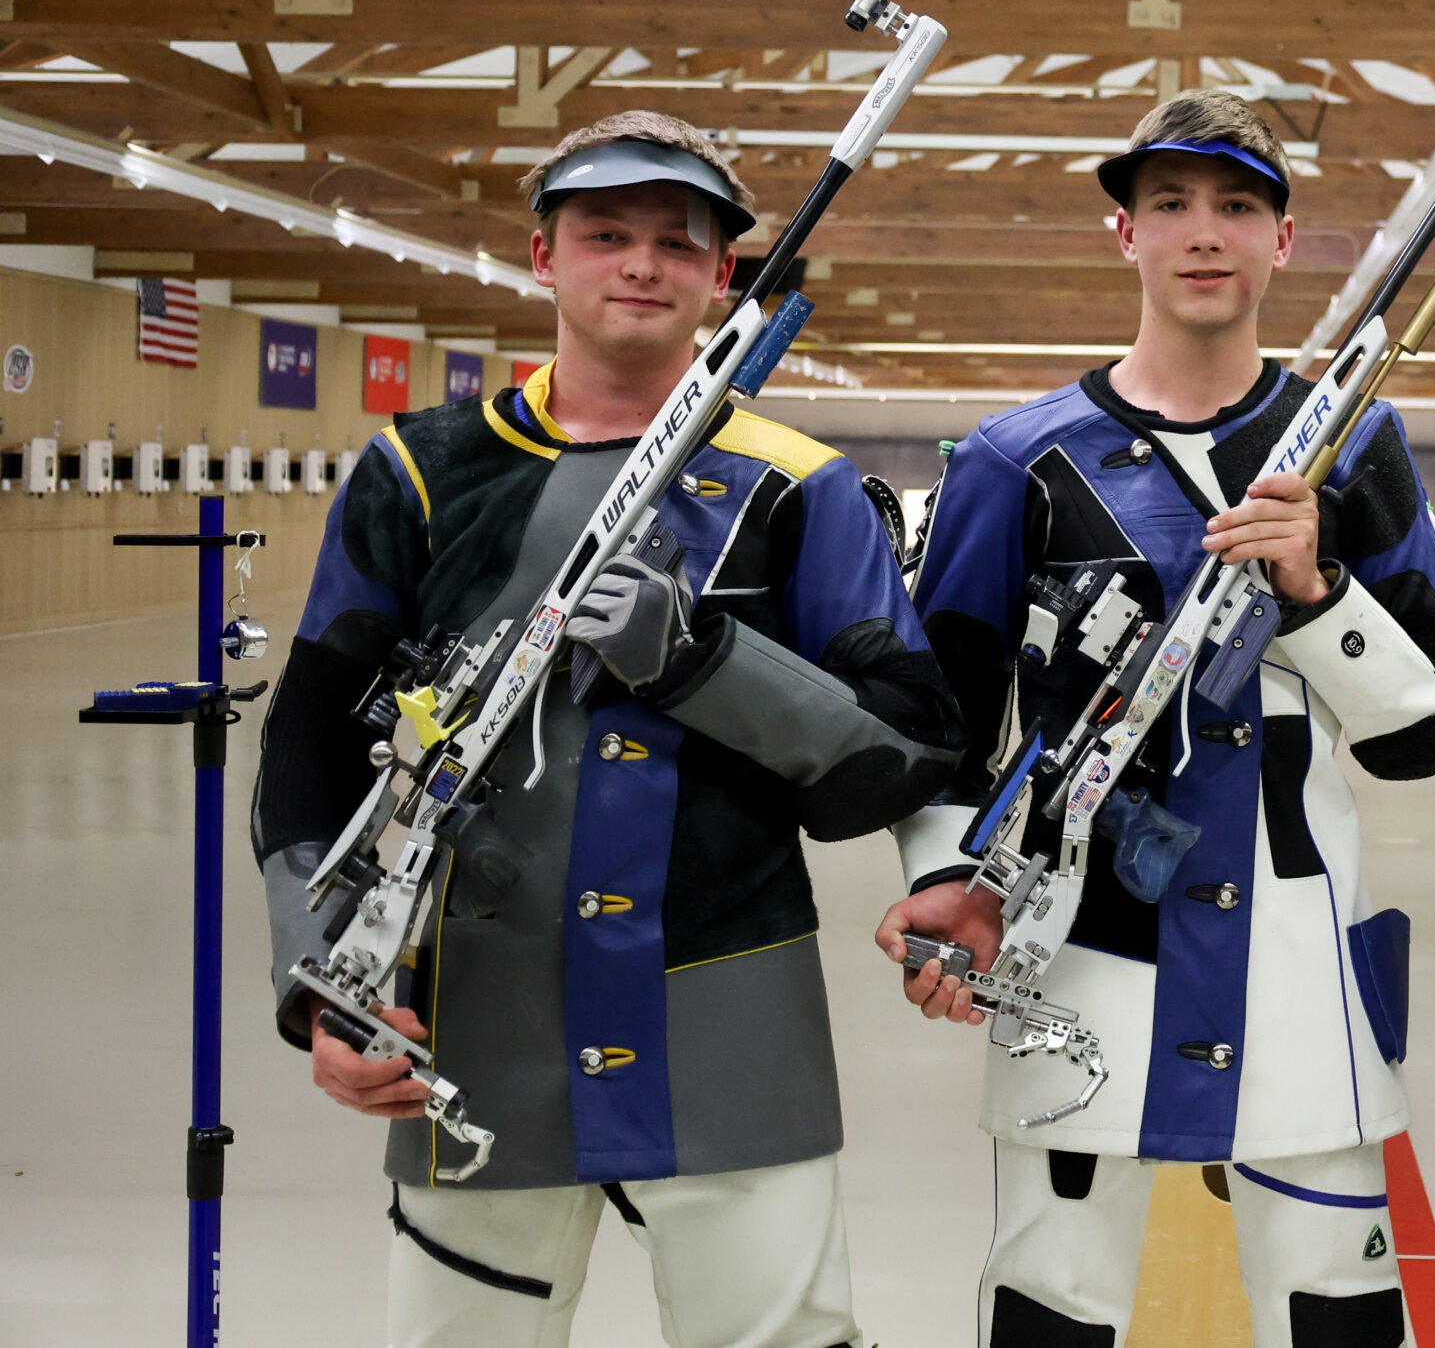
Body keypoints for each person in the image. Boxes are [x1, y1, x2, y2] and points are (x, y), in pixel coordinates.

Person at [251, 110, 965, 1348]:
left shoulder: (799, 487)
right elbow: (309, 750)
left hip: (729, 1009)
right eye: (605, 234)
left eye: (677, 242)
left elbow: (900, 758)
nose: (641, 263)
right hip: (474, 1020)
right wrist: (321, 986)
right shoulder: (418, 472)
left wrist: (701, 664)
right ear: (544, 255)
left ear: (722, 273)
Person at [878, 89, 1435, 1347]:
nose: (1203, 231)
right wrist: (950, 878)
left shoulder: (1351, 445)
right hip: (1076, 952)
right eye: (1169, 203)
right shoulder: (1015, 460)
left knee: (1335, 1300)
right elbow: (936, 725)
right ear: (1125, 233)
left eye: (1236, 205)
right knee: (1053, 1301)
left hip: (1298, 961)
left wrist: (1317, 595)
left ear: (1283, 239)